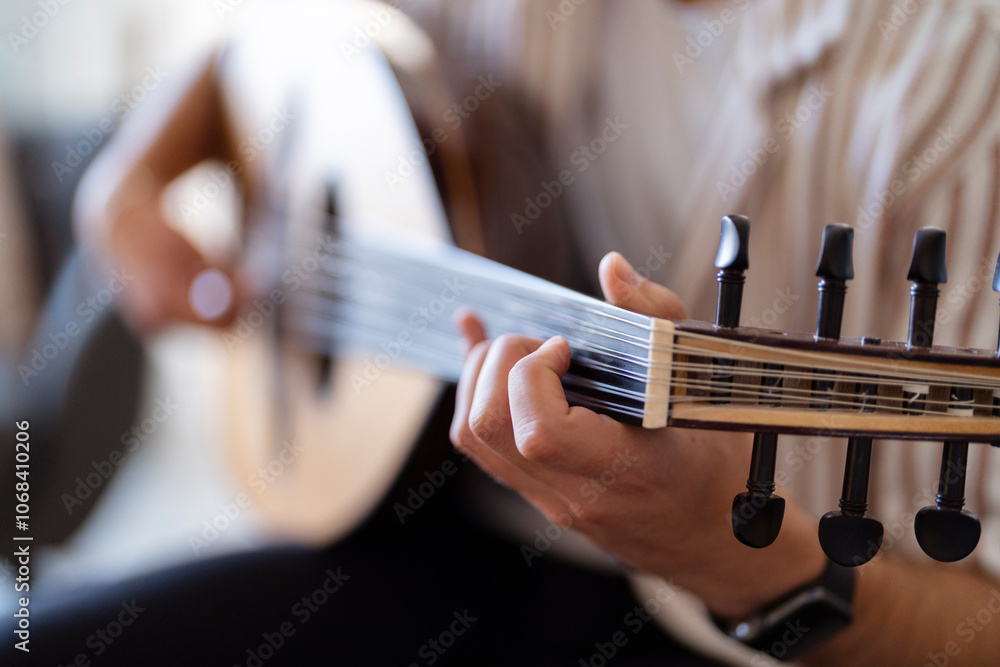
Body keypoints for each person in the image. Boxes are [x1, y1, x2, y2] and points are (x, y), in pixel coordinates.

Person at [11, 1, 1000, 665]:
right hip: (428, 516)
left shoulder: (963, 86)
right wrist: (130, 174)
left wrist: (720, 550)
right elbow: (253, 59)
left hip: (750, 632)